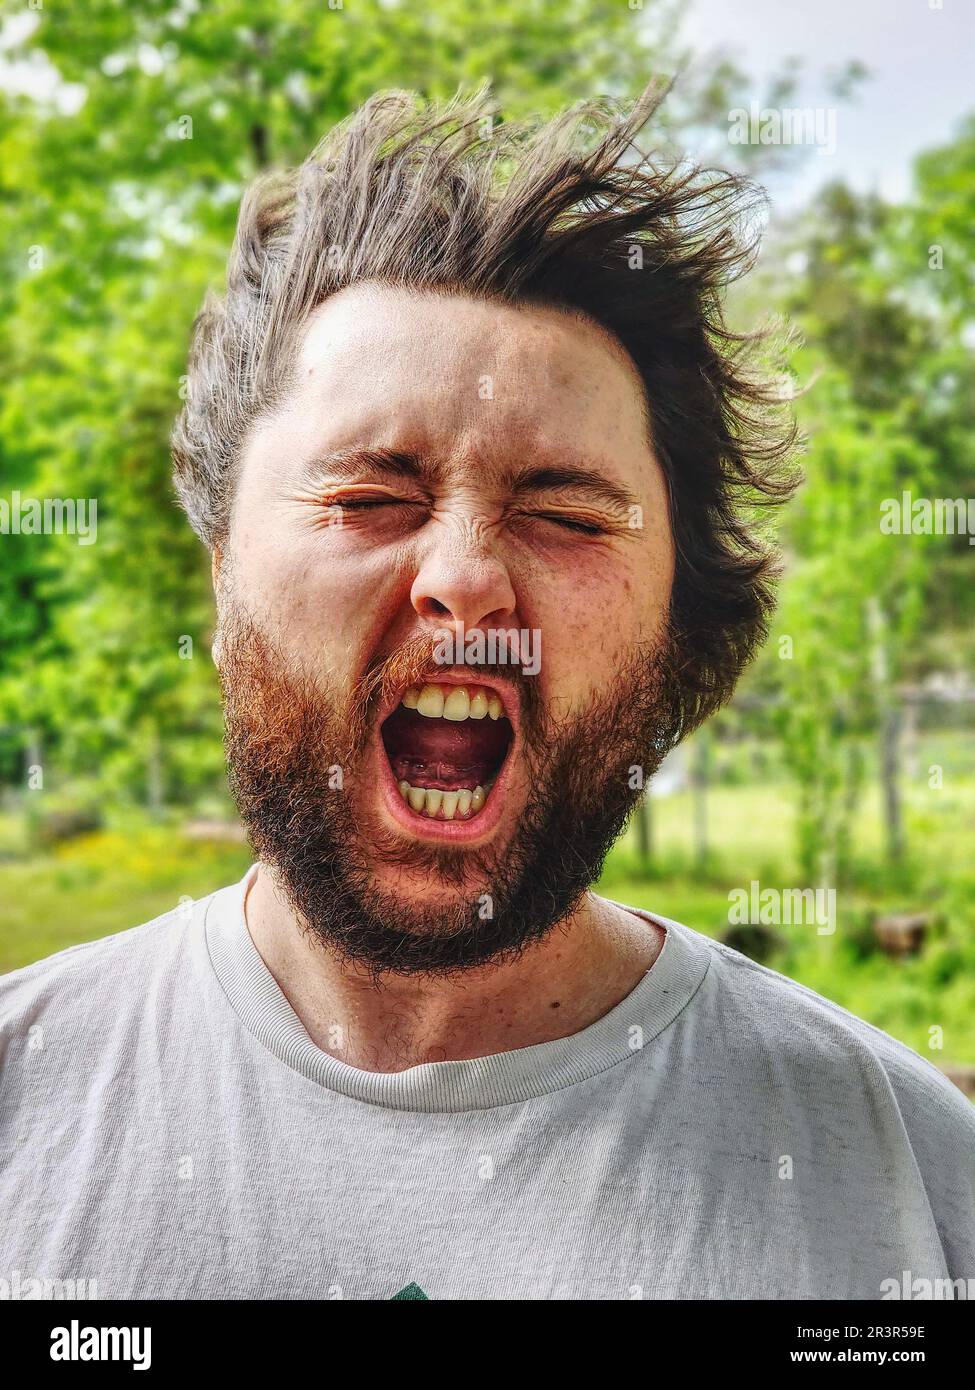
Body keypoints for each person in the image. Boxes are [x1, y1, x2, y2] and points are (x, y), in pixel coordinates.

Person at [1, 83, 972, 1301]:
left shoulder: (916, 1192)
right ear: (222, 565)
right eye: (369, 498)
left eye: (564, 515)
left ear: (679, 632)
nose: (464, 581)